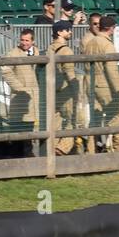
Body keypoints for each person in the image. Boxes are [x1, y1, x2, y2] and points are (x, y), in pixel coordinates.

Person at [80, 13, 119, 153]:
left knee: (95, 119)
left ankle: (91, 151)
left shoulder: (90, 42)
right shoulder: (107, 44)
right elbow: (111, 70)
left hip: (89, 83)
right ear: (111, 28)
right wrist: (117, 90)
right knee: (115, 116)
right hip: (105, 85)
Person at [0, 27, 40, 154]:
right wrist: (19, 88)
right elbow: (5, 71)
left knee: (33, 128)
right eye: (22, 40)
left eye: (27, 40)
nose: (24, 43)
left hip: (35, 97)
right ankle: (20, 156)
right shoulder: (13, 53)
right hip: (20, 99)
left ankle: (30, 154)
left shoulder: (38, 52)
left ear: (33, 41)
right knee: (20, 129)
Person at [49, 18, 77, 155]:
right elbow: (70, 72)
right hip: (65, 91)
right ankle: (62, 147)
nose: (70, 32)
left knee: (55, 120)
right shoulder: (66, 51)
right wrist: (75, 89)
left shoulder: (49, 49)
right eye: (67, 30)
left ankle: (51, 147)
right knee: (75, 119)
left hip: (51, 90)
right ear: (60, 32)